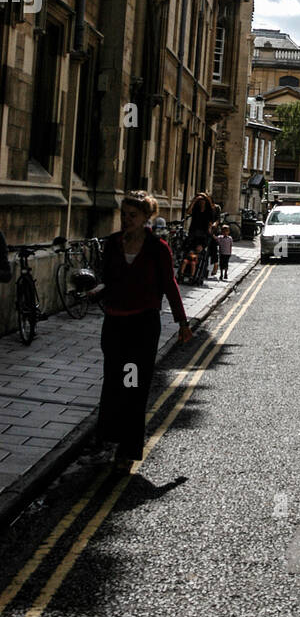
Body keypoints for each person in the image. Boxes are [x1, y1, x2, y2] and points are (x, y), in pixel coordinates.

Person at [97, 191, 191, 473]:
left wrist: (182, 322)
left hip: (141, 328)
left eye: (132, 216)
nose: (126, 220)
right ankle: (111, 439)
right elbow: (108, 281)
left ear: (145, 218)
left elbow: (170, 285)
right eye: (123, 215)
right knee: (114, 385)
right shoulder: (112, 244)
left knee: (132, 386)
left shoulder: (156, 248)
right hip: (114, 326)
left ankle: (127, 450)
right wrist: (95, 291)